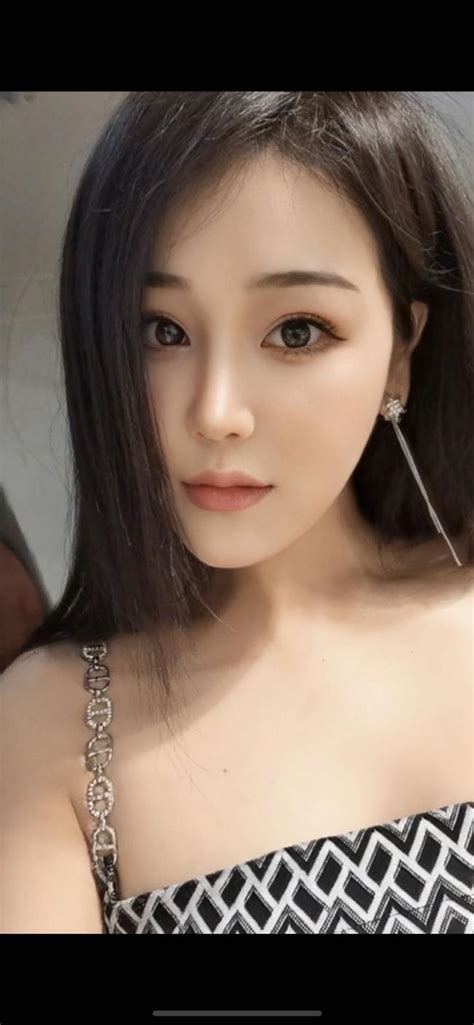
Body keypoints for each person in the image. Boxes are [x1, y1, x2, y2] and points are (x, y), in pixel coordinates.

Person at [1, 91, 473, 935]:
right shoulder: (56, 728)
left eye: (296, 331)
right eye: (162, 330)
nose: (216, 412)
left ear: (401, 349)